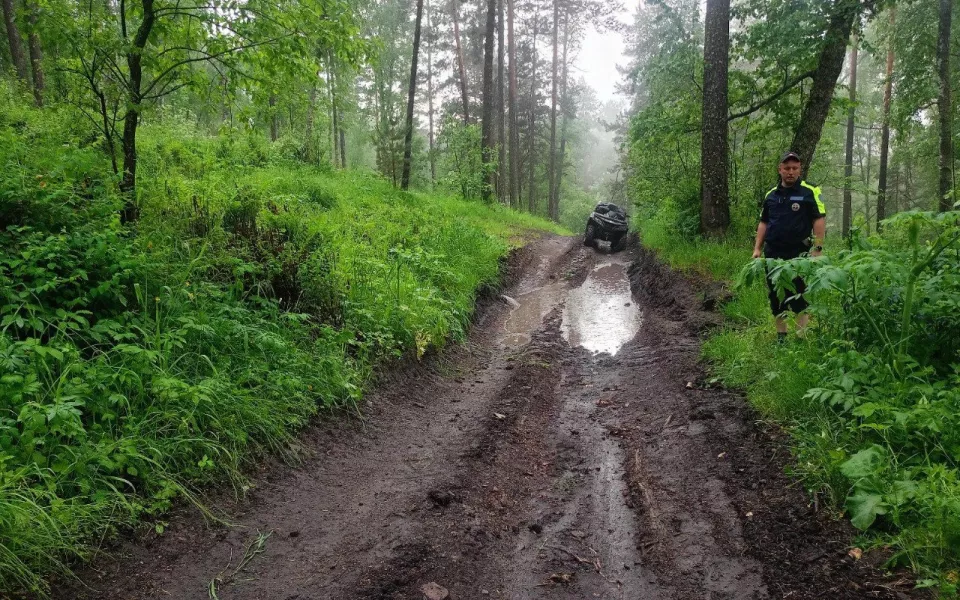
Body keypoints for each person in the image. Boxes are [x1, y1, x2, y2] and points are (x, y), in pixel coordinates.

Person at [751, 151, 826, 341]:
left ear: (800, 169)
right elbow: (763, 223)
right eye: (787, 168)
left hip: (798, 252)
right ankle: (781, 337)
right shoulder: (771, 195)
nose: (791, 172)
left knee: (799, 293)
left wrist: (817, 249)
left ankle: (801, 337)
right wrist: (757, 249)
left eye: (794, 168)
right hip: (773, 251)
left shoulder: (810, 192)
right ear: (780, 170)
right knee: (776, 294)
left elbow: (819, 220)